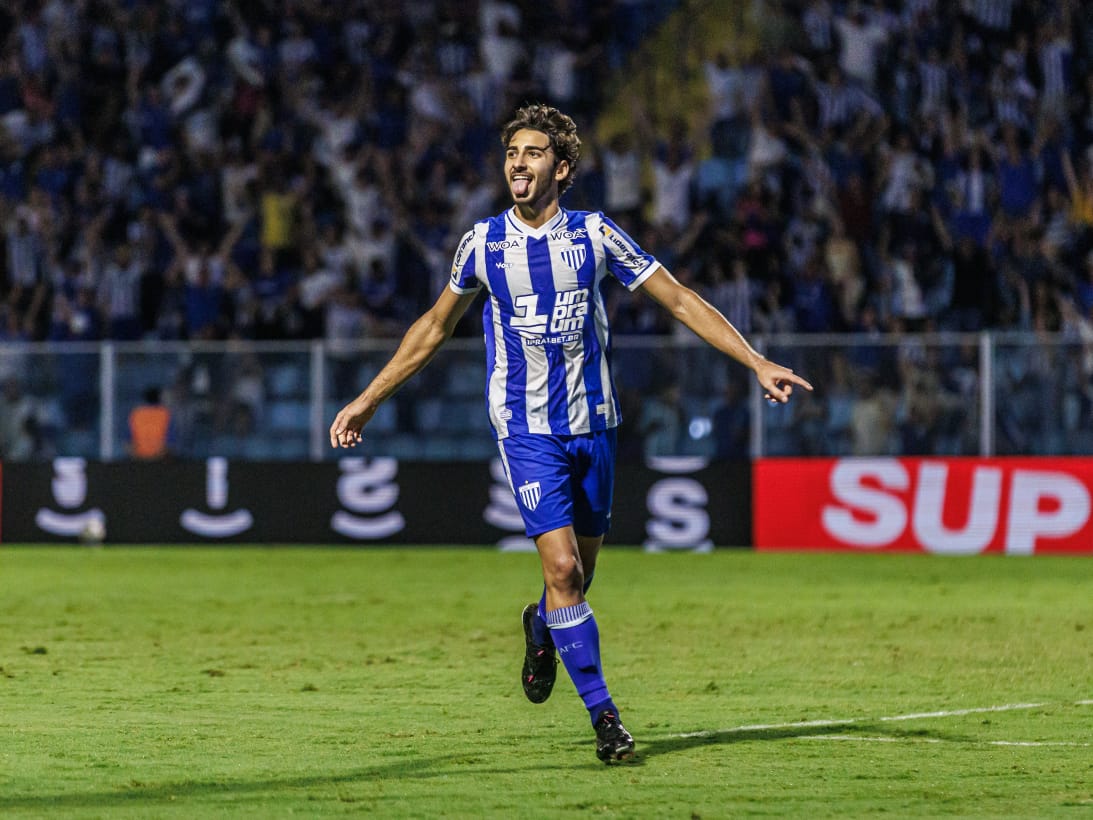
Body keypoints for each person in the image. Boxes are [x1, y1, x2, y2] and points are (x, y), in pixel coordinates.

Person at [329, 104, 813, 763]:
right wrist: (367, 400)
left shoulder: (594, 235)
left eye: (530, 154)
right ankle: (606, 720)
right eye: (510, 155)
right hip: (526, 429)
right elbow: (432, 328)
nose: (516, 164)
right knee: (562, 569)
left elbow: (676, 297)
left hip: (594, 426)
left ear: (560, 169)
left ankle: (540, 625)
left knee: (575, 579)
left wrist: (753, 359)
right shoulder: (482, 244)